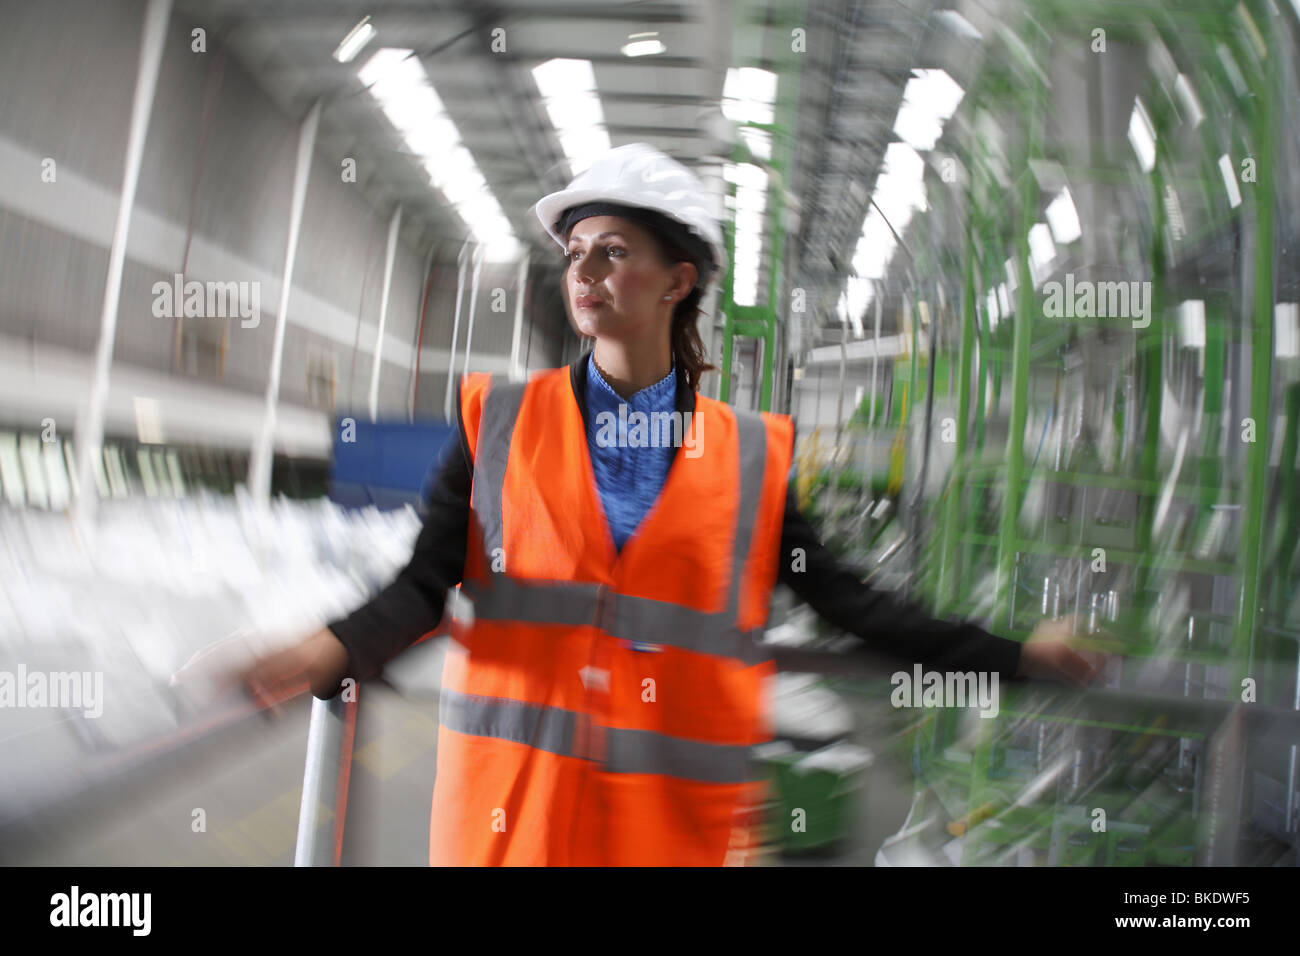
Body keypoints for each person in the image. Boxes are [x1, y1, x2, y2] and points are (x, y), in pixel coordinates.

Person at [242, 143, 1099, 866]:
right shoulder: (496, 422)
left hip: (664, 837)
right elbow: (425, 583)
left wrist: (1016, 656)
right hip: (507, 827)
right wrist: (338, 644)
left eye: (611, 251)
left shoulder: (750, 457)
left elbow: (850, 604)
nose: (583, 270)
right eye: (574, 251)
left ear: (676, 281)